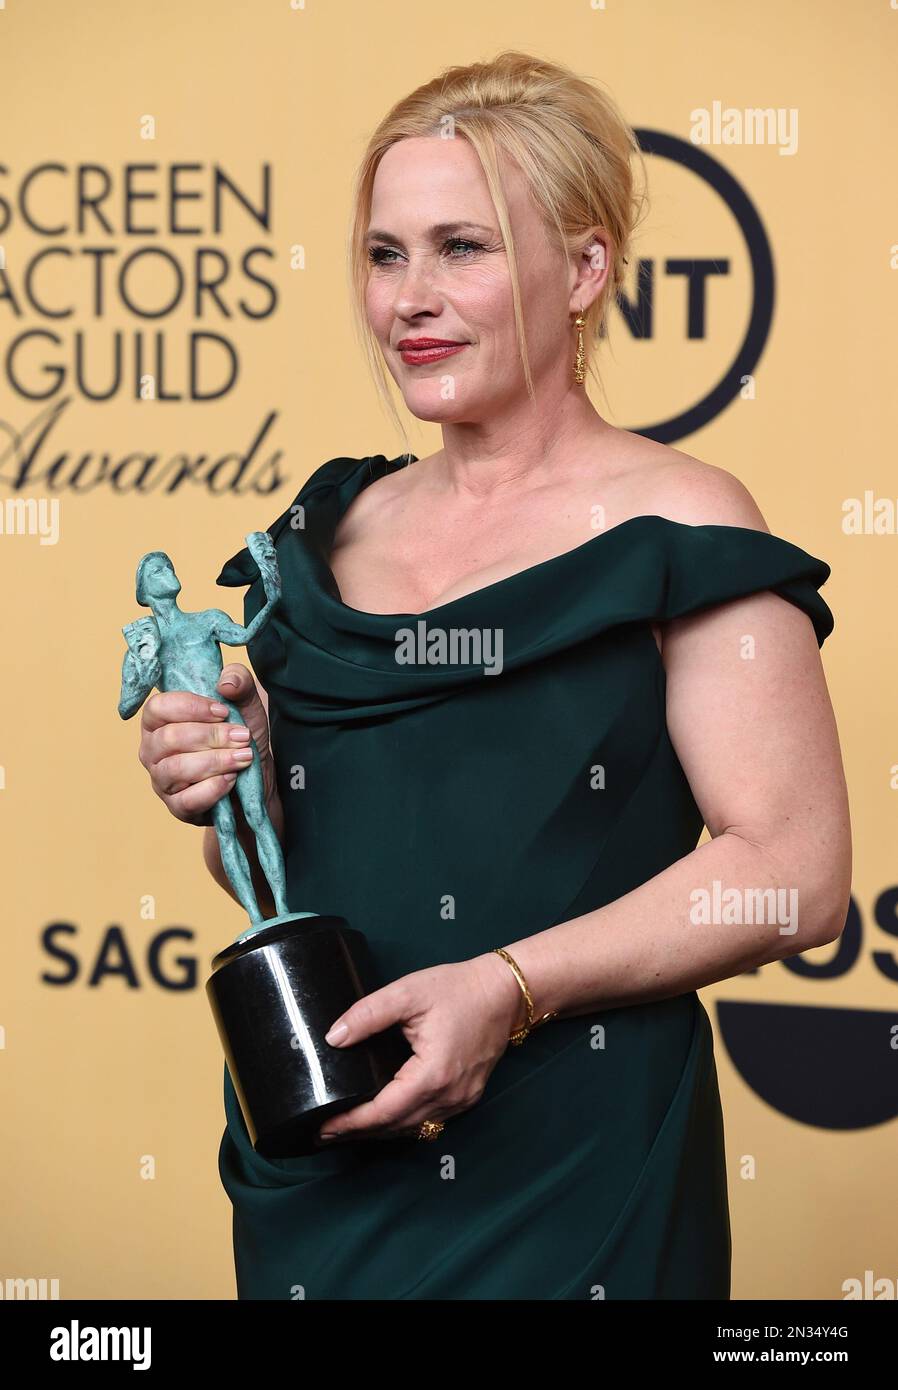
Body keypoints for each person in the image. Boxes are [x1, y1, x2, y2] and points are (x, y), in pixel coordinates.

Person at [134, 51, 852, 1299]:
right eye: (384, 254)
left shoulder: (680, 523)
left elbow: (792, 877)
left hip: (573, 1173)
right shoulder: (324, 530)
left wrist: (507, 988)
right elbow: (287, 862)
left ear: (582, 270)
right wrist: (227, 777)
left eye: (461, 247)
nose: (411, 297)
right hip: (327, 1153)